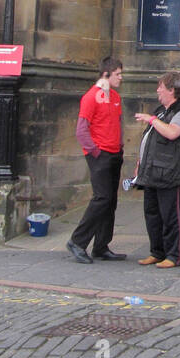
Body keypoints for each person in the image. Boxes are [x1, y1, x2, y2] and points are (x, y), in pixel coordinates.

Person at [132, 72, 180, 268]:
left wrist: (151, 120)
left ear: (172, 90)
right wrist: (139, 164)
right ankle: (157, 252)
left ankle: (173, 255)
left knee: (170, 216)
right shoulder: (161, 111)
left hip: (169, 172)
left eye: (161, 86)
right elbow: (149, 140)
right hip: (151, 171)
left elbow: (172, 132)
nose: (157, 90)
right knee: (152, 214)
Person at [66, 57, 126, 264]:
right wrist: (95, 151)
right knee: (101, 198)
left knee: (110, 201)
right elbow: (81, 130)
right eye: (117, 74)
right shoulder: (91, 97)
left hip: (114, 153)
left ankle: (101, 246)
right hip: (100, 154)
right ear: (106, 75)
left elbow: (116, 124)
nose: (121, 77)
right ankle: (77, 241)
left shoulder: (115, 97)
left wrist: (119, 148)